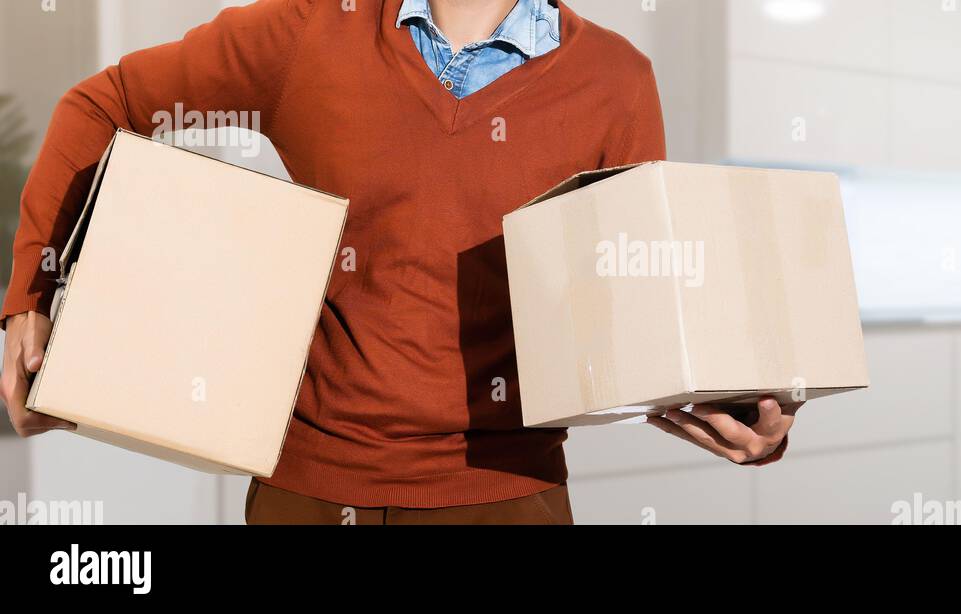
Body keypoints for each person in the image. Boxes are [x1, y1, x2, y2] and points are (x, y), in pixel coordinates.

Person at [0, 0, 799, 525]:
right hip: (305, 494)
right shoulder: (311, 30)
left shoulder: (616, 82)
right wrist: (29, 297)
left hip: (507, 501)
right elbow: (101, 103)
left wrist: (743, 408)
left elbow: (638, 316)